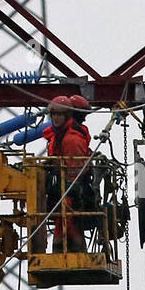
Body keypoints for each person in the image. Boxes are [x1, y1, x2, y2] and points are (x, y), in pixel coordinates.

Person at [43, 95, 92, 254]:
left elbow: (75, 170)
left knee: (67, 222)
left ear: (67, 116)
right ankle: (64, 252)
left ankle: (69, 254)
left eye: (60, 115)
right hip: (64, 187)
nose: (56, 118)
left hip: (72, 188)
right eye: (54, 115)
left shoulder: (71, 139)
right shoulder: (58, 134)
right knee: (63, 221)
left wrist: (57, 167)